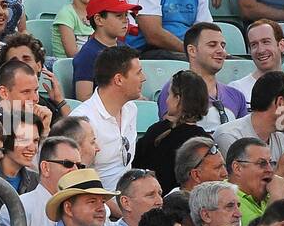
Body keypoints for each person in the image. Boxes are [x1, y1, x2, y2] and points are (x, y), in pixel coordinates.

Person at [72, 46, 143, 189]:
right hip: (99, 202)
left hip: (128, 196)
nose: (144, 78)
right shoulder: (83, 120)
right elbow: (77, 181)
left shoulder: (131, 109)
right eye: (138, 73)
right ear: (119, 79)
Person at [156, 23, 247, 131]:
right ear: (192, 50)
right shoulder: (175, 89)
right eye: (212, 45)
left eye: (222, 46)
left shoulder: (236, 95)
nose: (221, 51)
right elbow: (172, 136)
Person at [134, 70, 211, 193]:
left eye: (169, 94)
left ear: (178, 99)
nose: (166, 100)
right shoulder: (206, 141)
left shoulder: (156, 131)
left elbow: (135, 168)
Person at [214, 72, 284, 165]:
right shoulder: (229, 136)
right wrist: (281, 174)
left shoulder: (280, 139)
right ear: (280, 103)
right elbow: (239, 179)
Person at [226, 137, 284, 226]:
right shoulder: (224, 199)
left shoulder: (267, 192)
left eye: (270, 163)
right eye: (262, 163)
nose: (270, 170)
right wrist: (277, 196)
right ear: (237, 168)